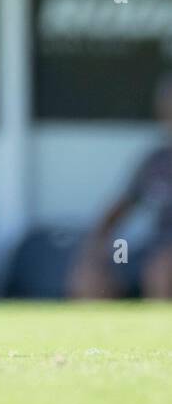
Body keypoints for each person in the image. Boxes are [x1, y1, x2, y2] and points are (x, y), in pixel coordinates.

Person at [69, 75, 172, 300]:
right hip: (149, 249)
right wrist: (96, 244)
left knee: (163, 269)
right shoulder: (155, 161)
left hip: (164, 262)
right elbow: (119, 208)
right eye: (166, 113)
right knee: (91, 274)